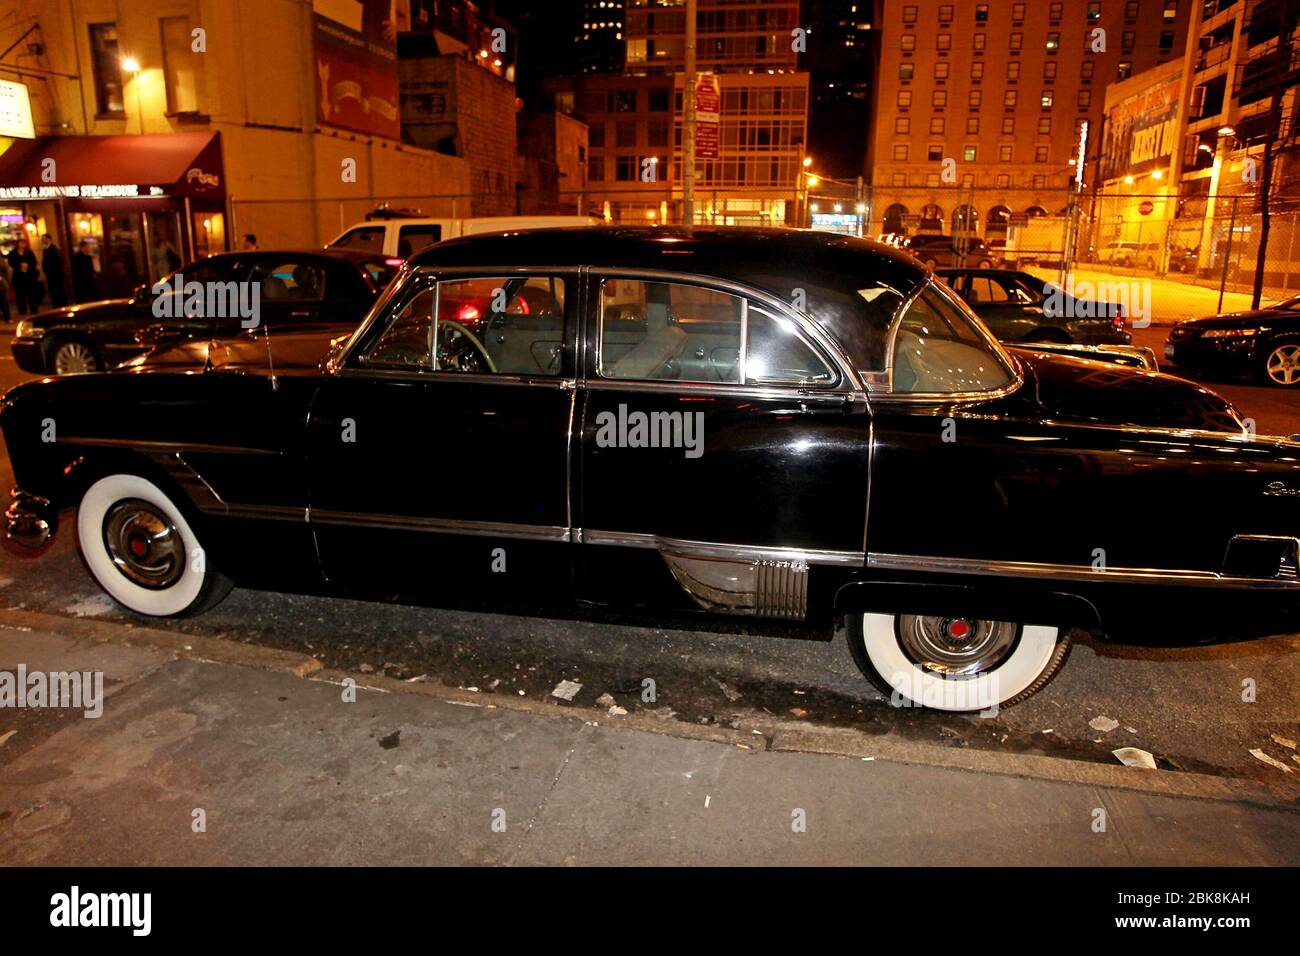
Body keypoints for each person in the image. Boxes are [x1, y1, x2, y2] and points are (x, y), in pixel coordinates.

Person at [6, 236, 40, 315]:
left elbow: (34, 261)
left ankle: (33, 309)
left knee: (31, 293)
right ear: (17, 244)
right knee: (20, 294)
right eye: (20, 243)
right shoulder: (13, 253)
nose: (22, 245)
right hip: (19, 276)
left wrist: (27, 265)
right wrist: (20, 264)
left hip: (29, 275)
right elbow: (11, 262)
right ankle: (22, 310)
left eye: (23, 243)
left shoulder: (29, 252)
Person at [41, 235, 67, 307]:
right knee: (52, 289)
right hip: (50, 273)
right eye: (42, 239)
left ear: (49, 239)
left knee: (57, 288)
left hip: (55, 273)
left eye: (44, 239)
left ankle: (60, 304)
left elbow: (56, 261)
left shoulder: (53, 248)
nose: (43, 240)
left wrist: (50, 269)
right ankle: (56, 303)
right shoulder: (45, 249)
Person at [0, 250, 12, 324]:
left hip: (1, 282)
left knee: (4, 300)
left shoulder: (1, 260)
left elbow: (6, 271)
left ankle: (7, 318)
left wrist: (8, 281)